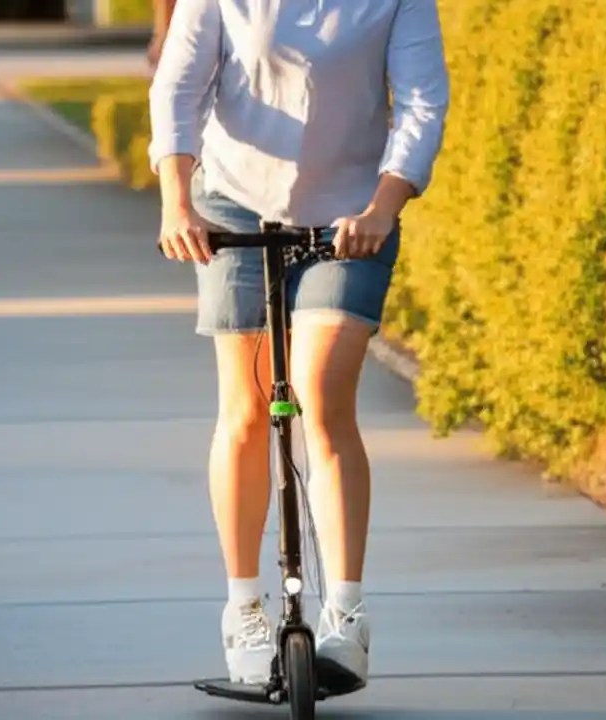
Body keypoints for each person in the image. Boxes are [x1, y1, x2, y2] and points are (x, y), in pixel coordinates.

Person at [148, 0, 449, 694]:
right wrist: (176, 199)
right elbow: (179, 85)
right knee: (249, 408)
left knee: (320, 392)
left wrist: (382, 207)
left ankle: (346, 613)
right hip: (232, 205)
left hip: (352, 219)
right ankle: (246, 607)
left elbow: (423, 101)